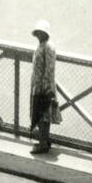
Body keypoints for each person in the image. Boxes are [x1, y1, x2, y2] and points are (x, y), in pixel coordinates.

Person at [29, 20, 59, 154]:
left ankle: (43, 144)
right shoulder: (41, 45)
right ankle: (44, 141)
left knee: (43, 116)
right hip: (38, 85)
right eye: (38, 32)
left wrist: (45, 88)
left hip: (44, 87)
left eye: (41, 32)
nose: (39, 34)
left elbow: (50, 69)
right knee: (40, 114)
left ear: (46, 33)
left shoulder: (48, 47)